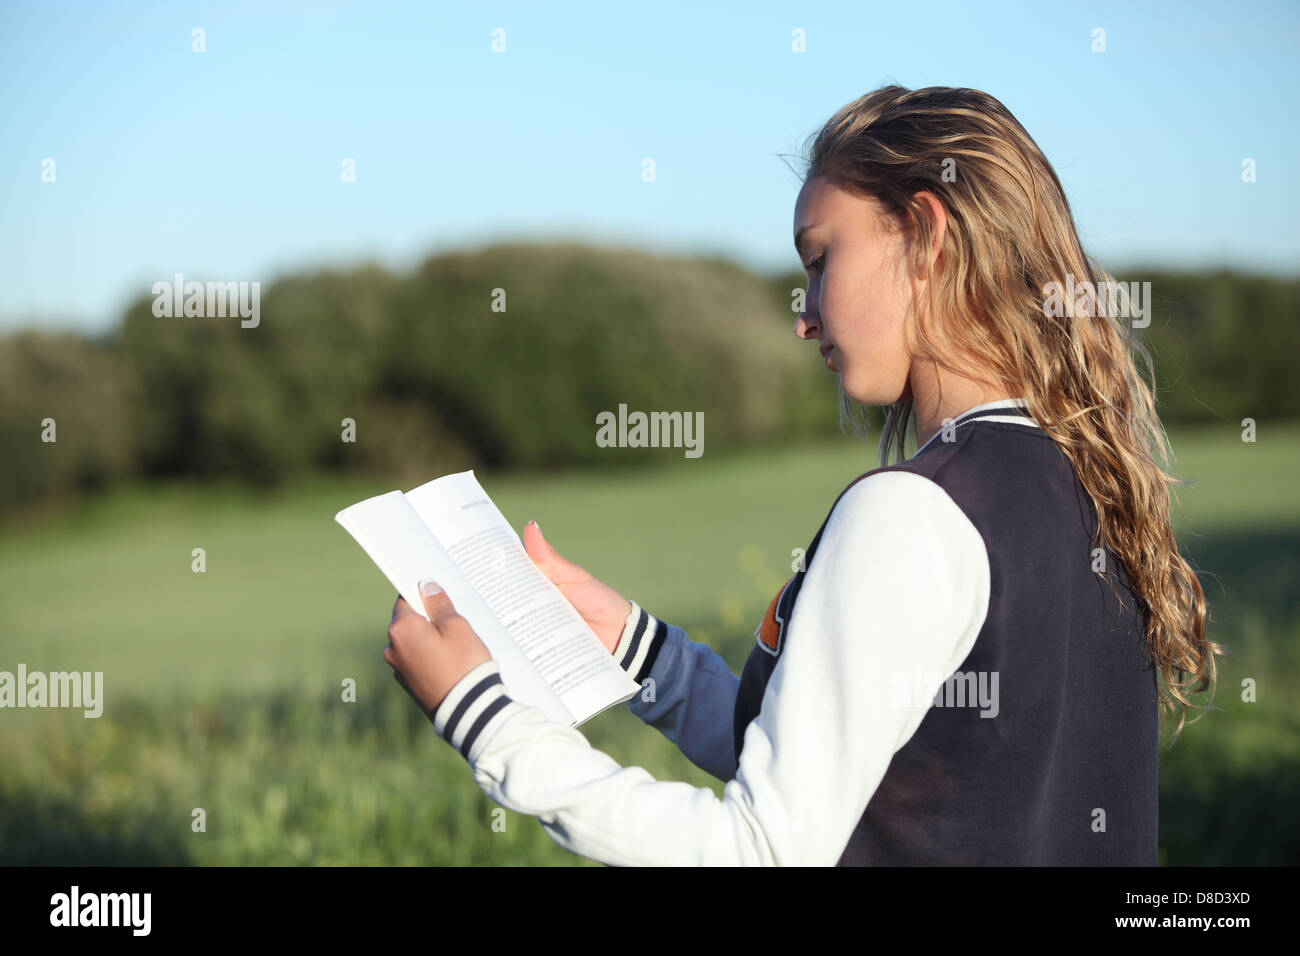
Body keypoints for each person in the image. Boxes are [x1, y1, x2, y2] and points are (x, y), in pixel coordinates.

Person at [382, 85, 1220, 865]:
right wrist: (639, 652)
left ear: (926, 238)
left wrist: (484, 718)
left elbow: (763, 848)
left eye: (820, 259)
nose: (805, 313)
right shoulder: (1093, 483)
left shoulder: (913, 513)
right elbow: (857, 761)